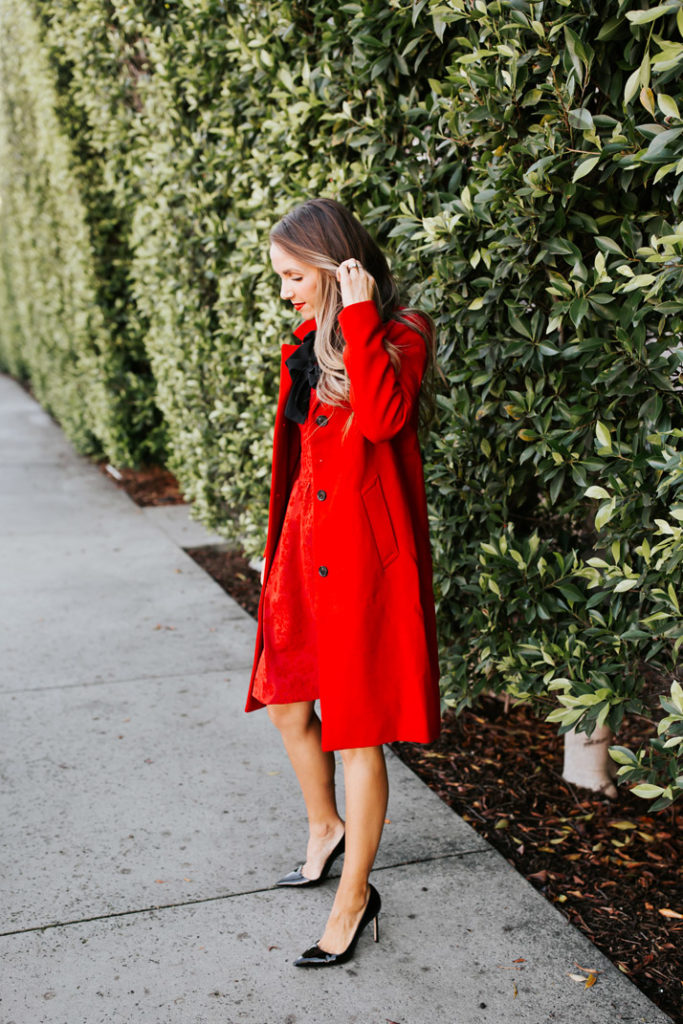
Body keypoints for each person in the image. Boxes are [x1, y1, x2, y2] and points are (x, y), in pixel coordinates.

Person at [244, 197, 441, 967]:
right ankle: (325, 827)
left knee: (357, 730)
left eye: (294, 276)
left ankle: (354, 897)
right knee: (288, 706)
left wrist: (358, 316)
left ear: (334, 269)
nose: (287, 291)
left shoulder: (399, 333)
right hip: (302, 545)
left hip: (361, 558)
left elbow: (385, 419)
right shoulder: (307, 340)